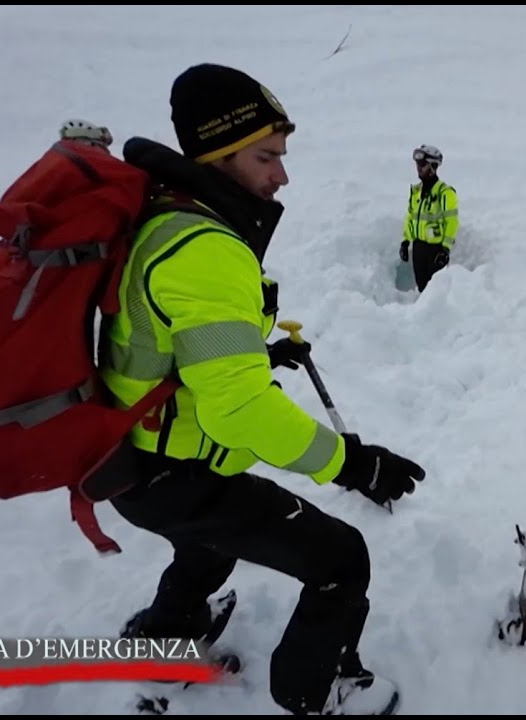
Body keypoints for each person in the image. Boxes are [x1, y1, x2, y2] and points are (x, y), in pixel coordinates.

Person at [92, 62, 424, 716]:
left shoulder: (166, 214)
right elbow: (240, 410)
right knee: (340, 559)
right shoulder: (205, 249)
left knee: (209, 541)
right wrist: (354, 464)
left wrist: (258, 351)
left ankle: (164, 639)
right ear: (216, 157)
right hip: (171, 471)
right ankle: (314, 693)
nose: (281, 176)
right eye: (265, 157)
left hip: (131, 457)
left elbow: (170, 337)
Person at [399, 144, 458, 293]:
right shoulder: (416, 192)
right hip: (418, 248)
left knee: (436, 292)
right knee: (422, 290)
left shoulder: (445, 193)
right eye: (417, 164)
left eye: (423, 164)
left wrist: (445, 249)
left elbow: (452, 222)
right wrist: (405, 242)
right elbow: (410, 217)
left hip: (435, 251)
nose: (418, 168)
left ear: (433, 166)